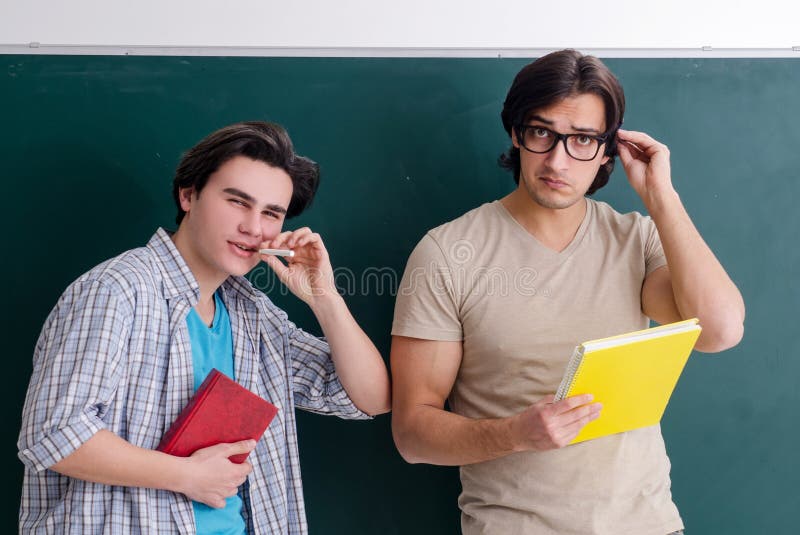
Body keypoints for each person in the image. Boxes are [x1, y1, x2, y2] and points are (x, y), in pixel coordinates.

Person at [390, 50, 745, 535]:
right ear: (515, 133)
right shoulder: (447, 253)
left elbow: (720, 331)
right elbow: (412, 434)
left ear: (607, 150)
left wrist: (661, 197)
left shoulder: (637, 240)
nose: (557, 161)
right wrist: (516, 434)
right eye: (542, 133)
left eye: (582, 139)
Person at [18, 121, 391, 533]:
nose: (253, 227)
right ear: (188, 195)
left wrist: (325, 298)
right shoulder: (118, 290)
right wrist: (186, 475)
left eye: (271, 213)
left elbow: (369, 398)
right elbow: (53, 435)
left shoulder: (252, 315)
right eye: (237, 202)